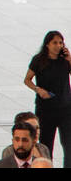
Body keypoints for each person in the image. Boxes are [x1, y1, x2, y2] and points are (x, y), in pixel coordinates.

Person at [24, 31, 71, 168]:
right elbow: (27, 80)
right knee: (46, 145)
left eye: (60, 42)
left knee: (68, 144)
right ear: (47, 44)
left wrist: (69, 59)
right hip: (46, 109)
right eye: (55, 43)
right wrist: (38, 90)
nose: (58, 46)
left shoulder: (64, 60)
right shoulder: (39, 60)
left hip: (65, 108)